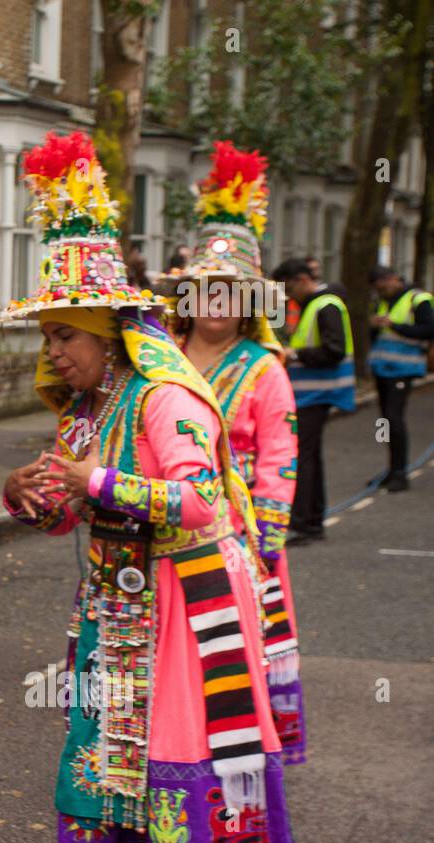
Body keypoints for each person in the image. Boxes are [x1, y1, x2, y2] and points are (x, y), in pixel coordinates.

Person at [2, 132, 297, 843]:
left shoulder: (165, 398)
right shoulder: (87, 409)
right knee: (103, 755)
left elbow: (198, 502)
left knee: (178, 745)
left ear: (107, 337)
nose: (52, 353)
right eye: (49, 338)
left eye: (65, 336)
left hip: (187, 596)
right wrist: (25, 497)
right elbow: (63, 516)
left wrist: (98, 481)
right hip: (116, 599)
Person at [163, 142, 306, 764]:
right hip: (169, 522)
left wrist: (265, 544)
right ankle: (176, 741)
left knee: (234, 646)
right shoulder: (160, 359)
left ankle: (237, 752)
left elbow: (280, 458)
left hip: (239, 533)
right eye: (206, 289)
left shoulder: (264, 369)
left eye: (230, 290)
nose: (216, 302)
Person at [271, 258, 354, 543]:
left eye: (289, 288)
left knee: (302, 458)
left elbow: (335, 350)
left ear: (302, 280)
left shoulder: (325, 305)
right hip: (313, 393)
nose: (289, 296)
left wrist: (295, 354)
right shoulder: (318, 304)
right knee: (310, 457)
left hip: (317, 393)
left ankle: (302, 524)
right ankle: (313, 522)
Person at [367, 266, 433, 492]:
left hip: (404, 368)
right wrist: (375, 326)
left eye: (383, 287)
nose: (381, 292)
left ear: (394, 279)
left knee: (394, 418)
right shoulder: (382, 301)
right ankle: (390, 467)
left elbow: (428, 330)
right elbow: (378, 335)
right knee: (384, 421)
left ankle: (400, 473)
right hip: (382, 367)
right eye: (377, 289)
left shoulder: (419, 299)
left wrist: (393, 325)